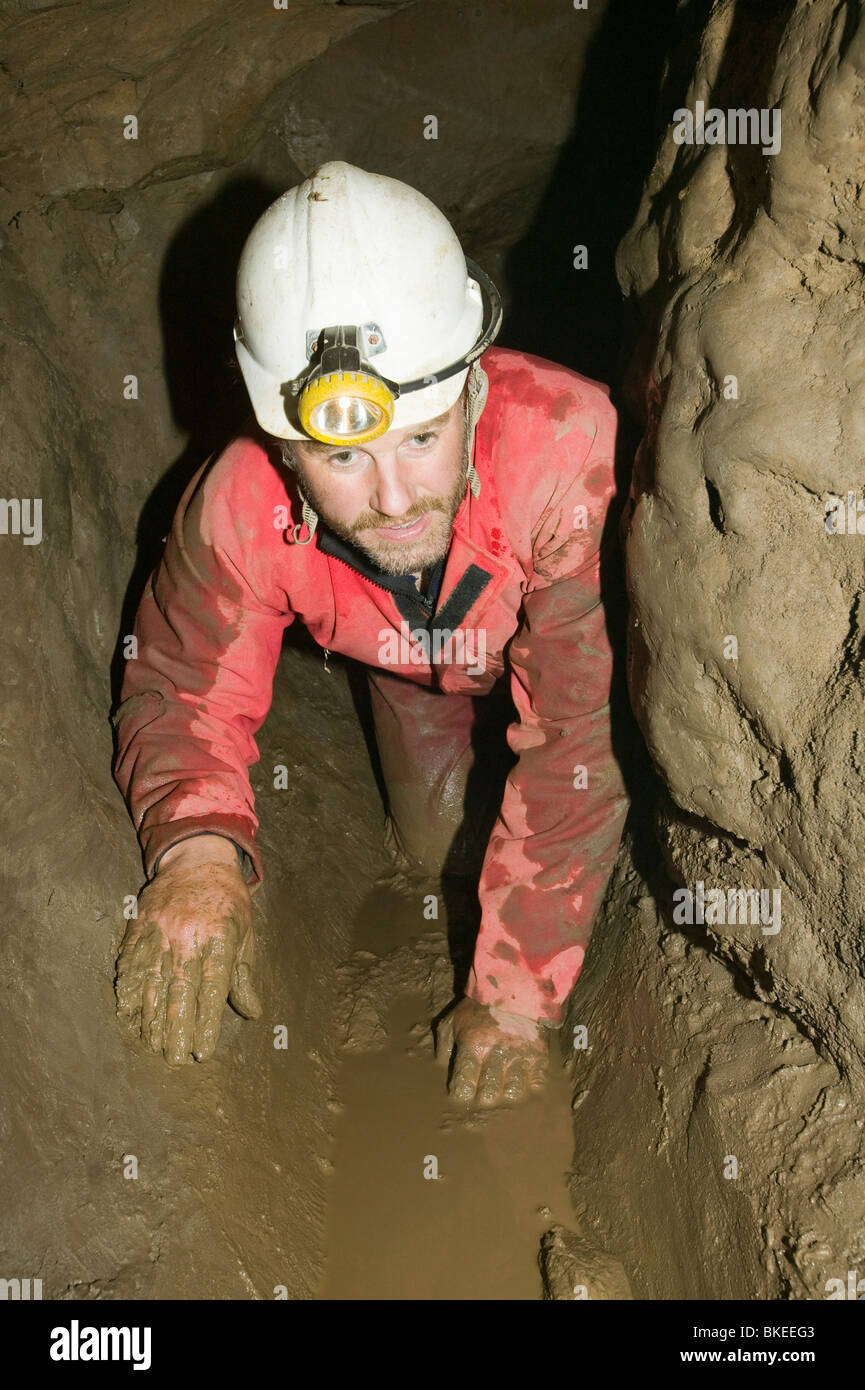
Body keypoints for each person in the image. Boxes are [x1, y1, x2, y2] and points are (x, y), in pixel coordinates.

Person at [112, 161, 629, 1108]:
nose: (392, 500)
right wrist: (196, 848)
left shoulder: (564, 448)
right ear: (279, 437)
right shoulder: (240, 500)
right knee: (437, 855)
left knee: (527, 877)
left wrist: (514, 1000)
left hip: (520, 645)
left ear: (473, 381)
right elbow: (184, 683)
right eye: (340, 456)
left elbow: (576, 736)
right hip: (396, 669)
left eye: (422, 439)